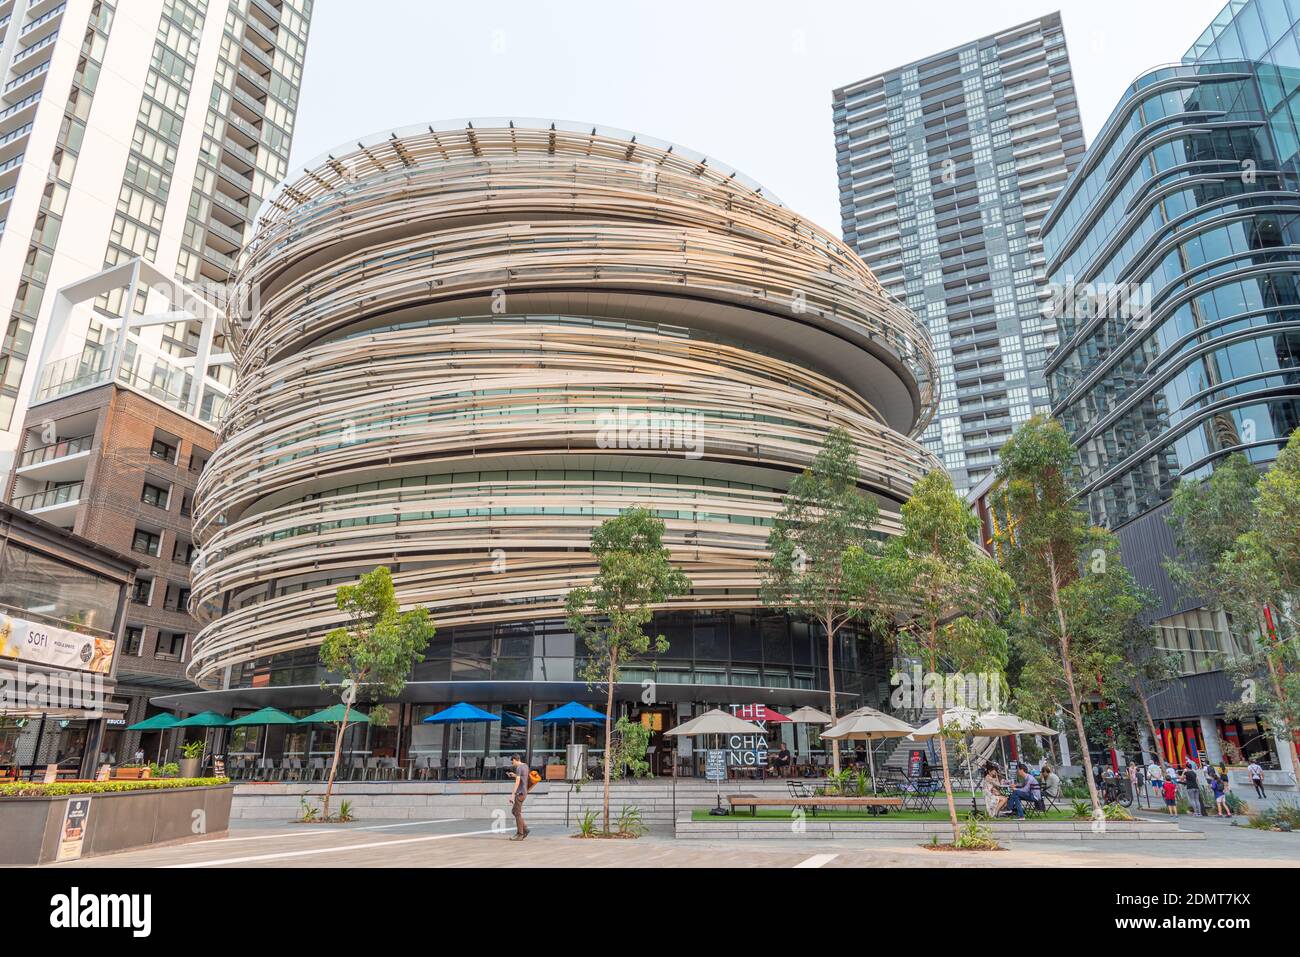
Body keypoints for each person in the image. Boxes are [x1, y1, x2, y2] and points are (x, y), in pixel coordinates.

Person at [507, 754, 530, 840]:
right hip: (524, 792)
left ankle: (520, 834)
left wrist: (512, 795)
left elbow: (517, 782)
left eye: (512, 761)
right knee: (514, 811)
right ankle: (525, 829)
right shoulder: (525, 766)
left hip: (520, 793)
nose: (512, 763)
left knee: (517, 813)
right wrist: (514, 775)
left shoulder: (519, 768)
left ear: (515, 760)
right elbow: (523, 778)